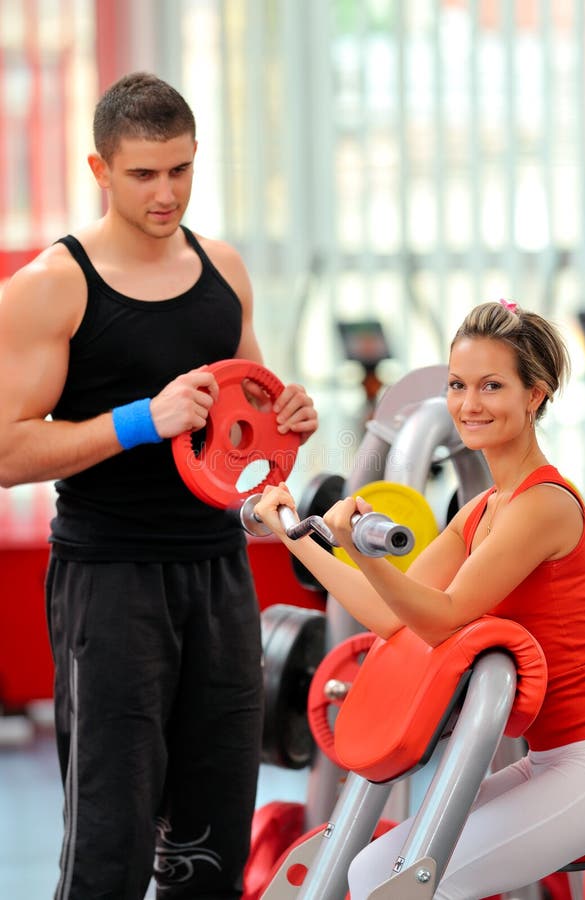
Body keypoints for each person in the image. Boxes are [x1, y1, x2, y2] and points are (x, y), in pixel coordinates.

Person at [0, 72, 317, 900]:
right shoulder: (52, 287)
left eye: (179, 170)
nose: (165, 191)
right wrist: (143, 420)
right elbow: (4, 453)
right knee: (111, 843)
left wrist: (285, 422)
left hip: (217, 575)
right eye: (143, 174)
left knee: (210, 840)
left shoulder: (224, 270)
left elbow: (242, 441)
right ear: (100, 170)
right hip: (111, 582)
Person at [253, 299, 585, 900]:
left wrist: (364, 553)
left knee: (420, 888)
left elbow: (441, 619)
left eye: (492, 386)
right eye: (458, 385)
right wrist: (298, 536)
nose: (469, 404)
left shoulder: (545, 506)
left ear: (534, 395)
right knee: (366, 874)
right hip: (547, 761)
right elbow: (392, 615)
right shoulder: (481, 510)